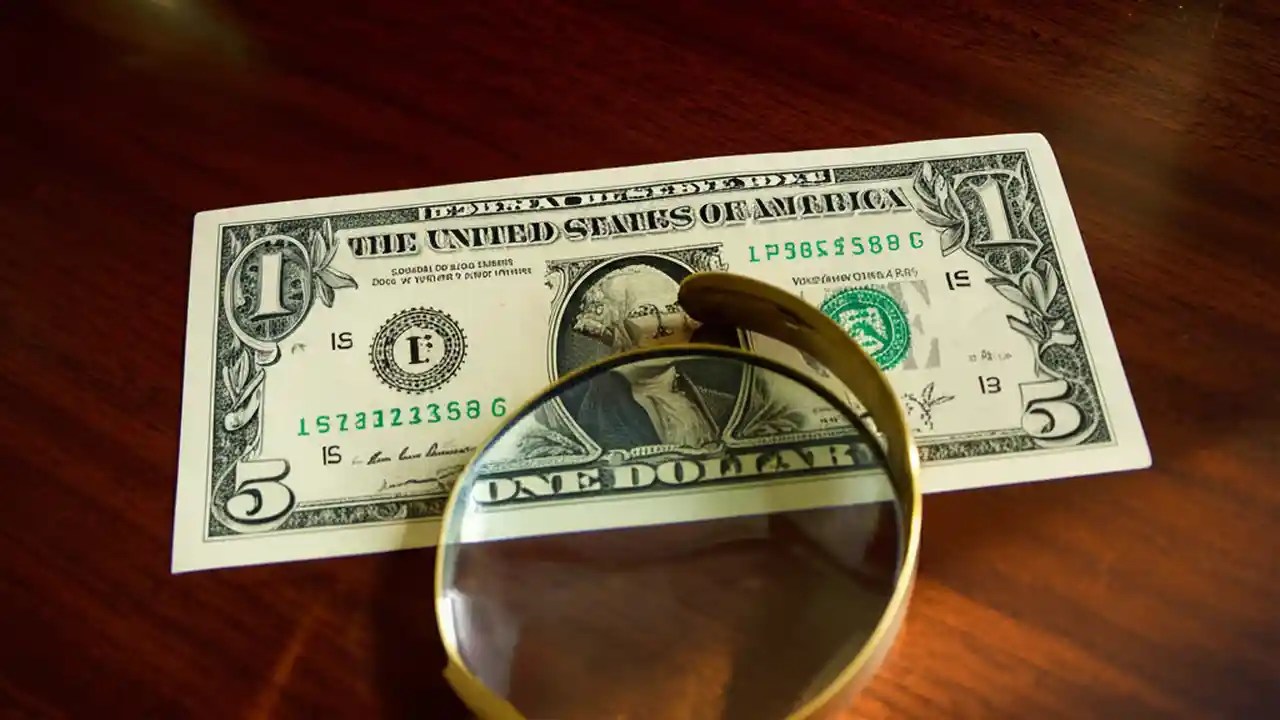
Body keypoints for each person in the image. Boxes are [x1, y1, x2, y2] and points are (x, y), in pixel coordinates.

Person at [569, 264, 736, 451]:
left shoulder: (725, 406)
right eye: (644, 312)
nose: (664, 328)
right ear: (609, 329)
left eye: (673, 309)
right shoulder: (584, 415)